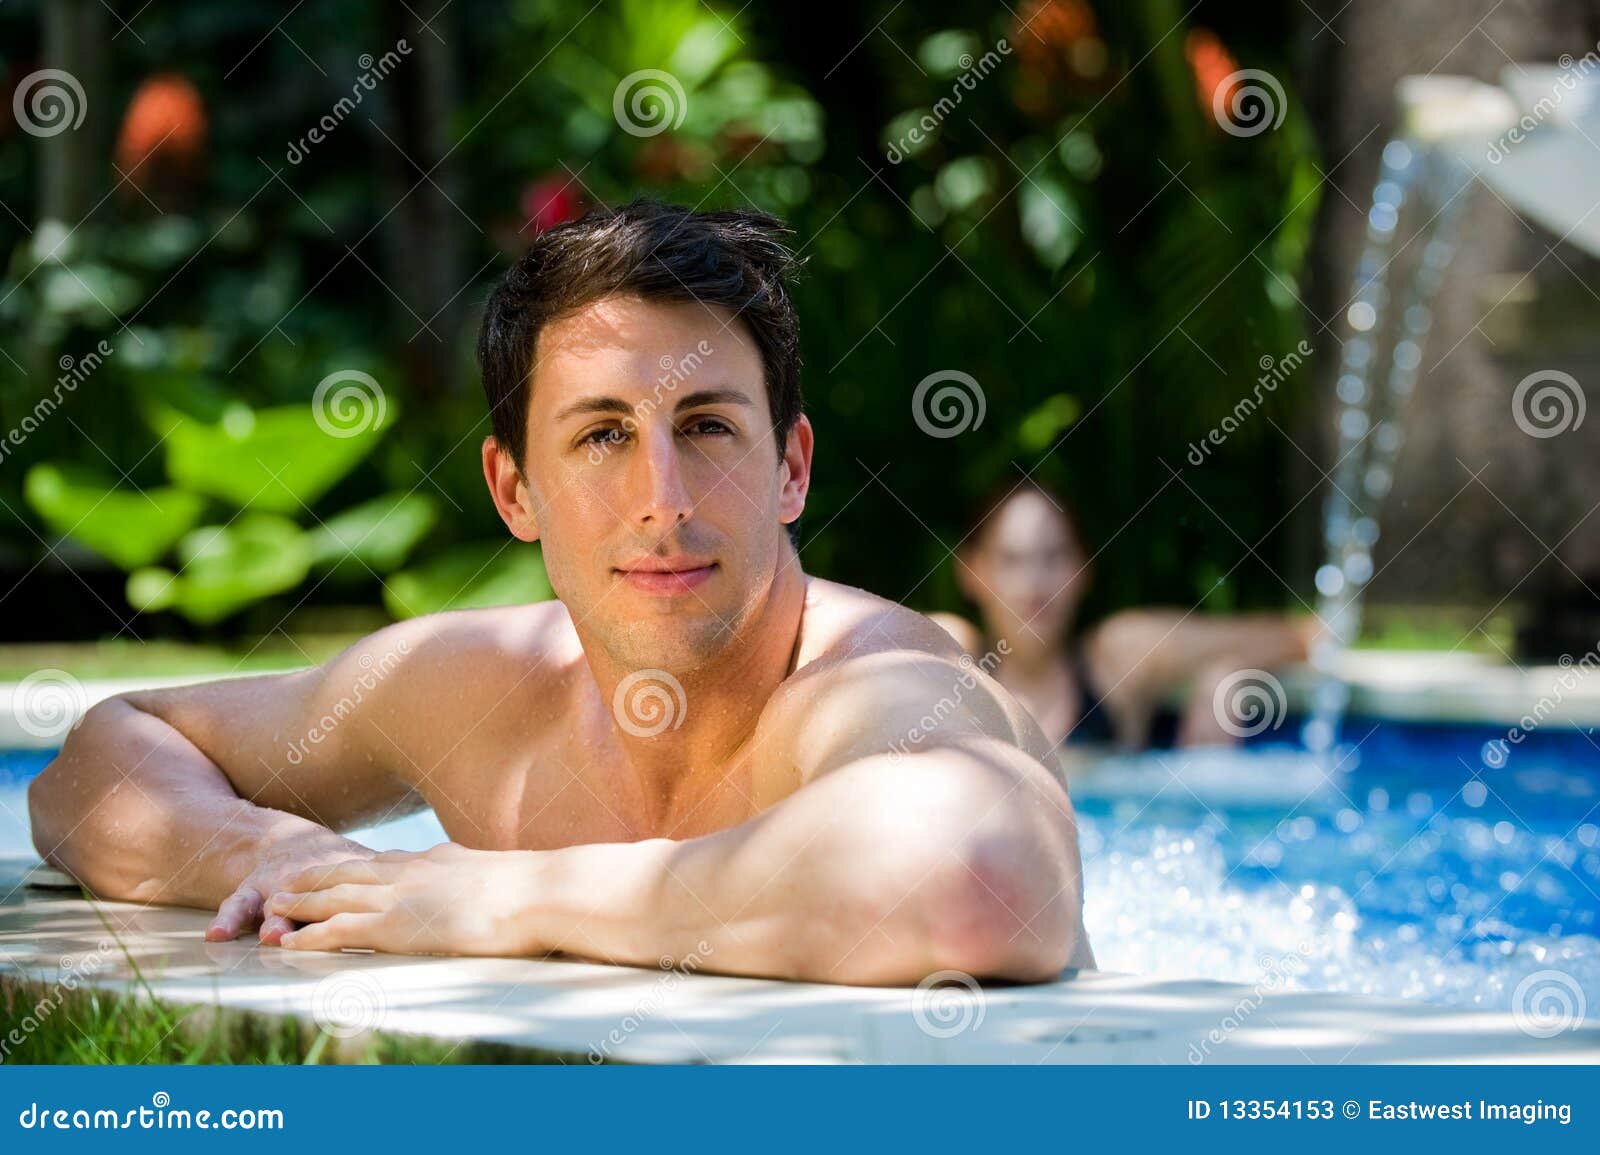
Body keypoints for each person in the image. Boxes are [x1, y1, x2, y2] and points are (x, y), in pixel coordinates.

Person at [29, 200, 1093, 986]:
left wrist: (510, 895)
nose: (661, 500)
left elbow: (976, 879)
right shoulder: (477, 690)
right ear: (514, 488)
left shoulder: (871, 681)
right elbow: (97, 760)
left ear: (792, 469)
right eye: (602, 437)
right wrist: (282, 856)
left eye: (709, 428)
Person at [930, 479, 1316, 753]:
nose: (1035, 583)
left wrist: (1225, 679)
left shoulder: (1116, 660)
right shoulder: (954, 659)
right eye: (1012, 560)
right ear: (972, 572)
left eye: (1054, 557)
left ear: (1084, 570)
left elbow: (1302, 637)